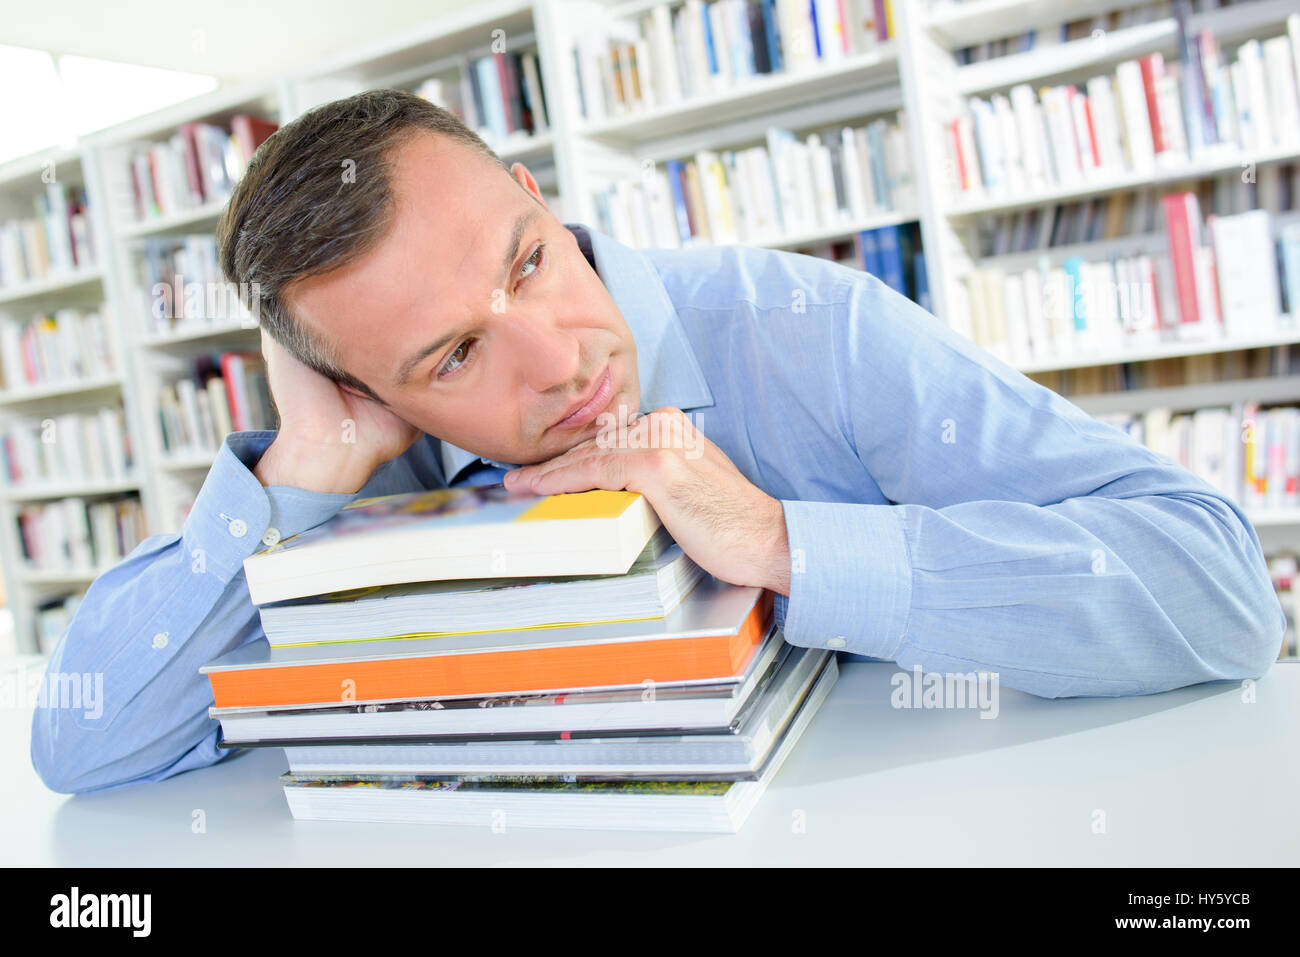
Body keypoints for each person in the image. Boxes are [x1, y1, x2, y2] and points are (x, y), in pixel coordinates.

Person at [31, 89, 1284, 794]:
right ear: (365, 389)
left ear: (536, 193)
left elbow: (1221, 591)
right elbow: (86, 744)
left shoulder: (807, 329)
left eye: (530, 263)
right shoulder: (369, 458)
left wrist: (784, 541)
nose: (561, 359)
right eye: (453, 357)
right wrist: (301, 476)